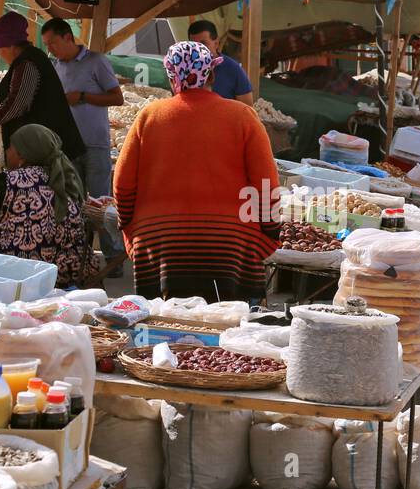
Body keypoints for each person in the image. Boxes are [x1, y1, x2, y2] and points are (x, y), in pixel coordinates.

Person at [113, 41, 280, 301]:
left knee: (163, 326)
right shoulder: (243, 116)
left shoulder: (149, 116)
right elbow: (266, 184)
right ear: (211, 75)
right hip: (231, 244)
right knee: (228, 328)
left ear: (171, 77)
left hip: (158, 243)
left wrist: (133, 230)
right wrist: (269, 233)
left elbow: (122, 185)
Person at [40, 16, 125, 275]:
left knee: (101, 205)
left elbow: (117, 97)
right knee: (73, 206)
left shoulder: (96, 61)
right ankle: (78, 258)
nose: (50, 49)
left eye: (52, 43)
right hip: (67, 147)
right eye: (46, 44)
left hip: (96, 145)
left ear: (68, 37)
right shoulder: (54, 67)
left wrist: (83, 97)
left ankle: (114, 260)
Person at [0, 124, 98, 288]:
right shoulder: (68, 181)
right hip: (64, 279)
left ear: (22, 155)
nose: (6, 152)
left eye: (10, 147)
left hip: (12, 279)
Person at [0, 11, 85, 166]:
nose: (1, 56)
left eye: (1, 51)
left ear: (11, 46)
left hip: (50, 155)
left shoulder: (27, 63)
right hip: (46, 151)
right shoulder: (30, 59)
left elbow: (19, 103)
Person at [187, 19, 254, 105]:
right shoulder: (184, 69)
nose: (198, 49)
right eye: (193, 44)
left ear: (216, 43)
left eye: (203, 43)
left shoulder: (233, 70)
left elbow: (247, 109)